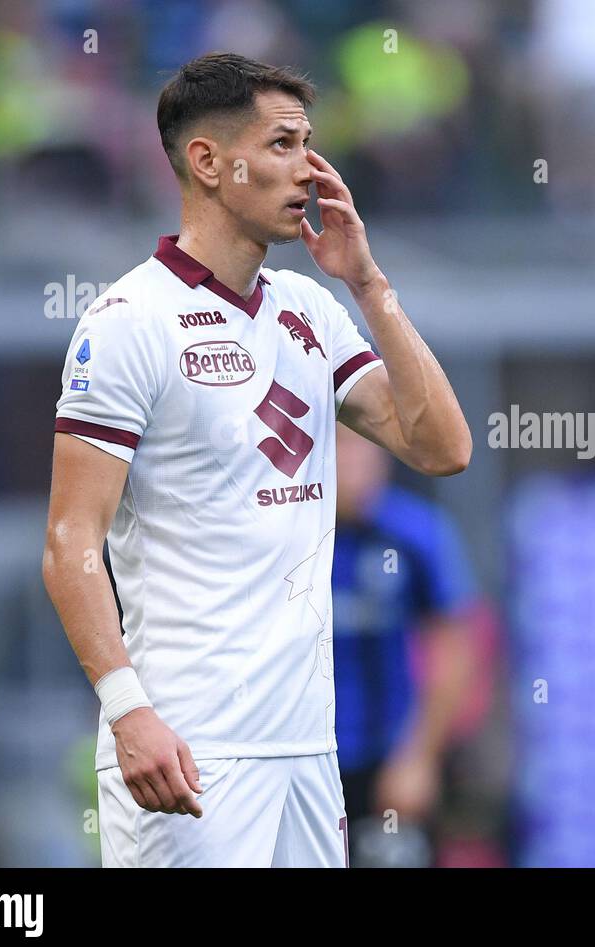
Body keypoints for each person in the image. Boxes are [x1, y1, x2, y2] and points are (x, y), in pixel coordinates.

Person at [41, 52, 471, 868]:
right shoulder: (130, 320)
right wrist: (129, 711)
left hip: (309, 748)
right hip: (189, 745)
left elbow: (443, 446)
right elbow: (70, 542)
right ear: (206, 162)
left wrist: (369, 283)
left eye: (310, 143)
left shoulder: (309, 309)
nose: (309, 168)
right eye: (281, 144)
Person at [331, 425, 477, 866]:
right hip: (301, 758)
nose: (356, 460)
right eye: (341, 445)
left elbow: (454, 650)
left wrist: (419, 758)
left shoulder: (414, 534)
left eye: (366, 446)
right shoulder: (282, 537)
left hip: (387, 761)